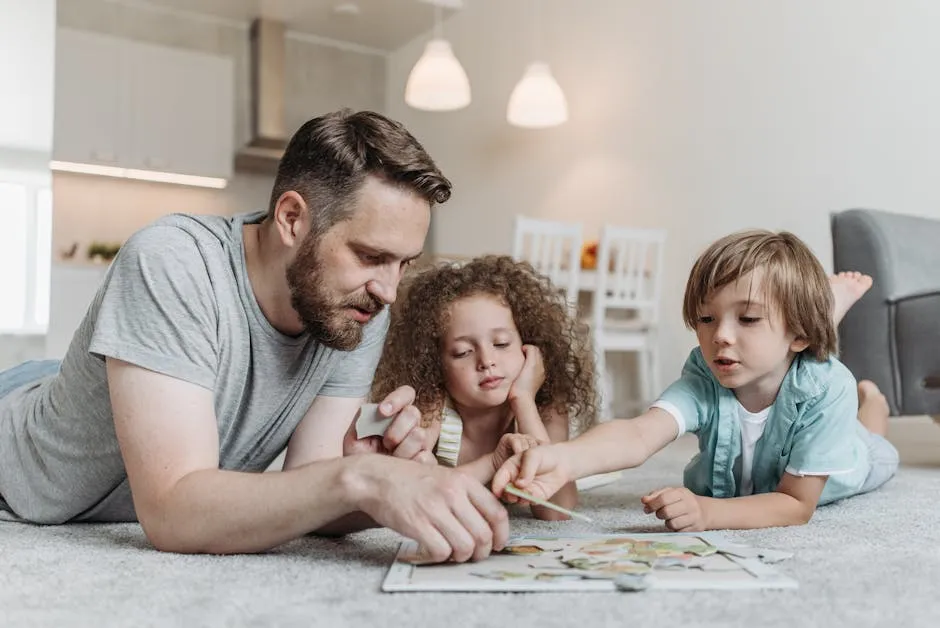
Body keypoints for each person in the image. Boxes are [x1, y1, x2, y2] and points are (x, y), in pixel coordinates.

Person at [0, 110, 508, 562]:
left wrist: (378, 482)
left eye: (404, 263)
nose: (390, 290)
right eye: (371, 256)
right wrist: (358, 481)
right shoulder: (173, 260)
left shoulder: (357, 308)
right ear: (291, 219)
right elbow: (173, 511)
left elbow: (310, 491)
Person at [493, 230, 899, 531]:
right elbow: (638, 435)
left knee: (872, 447)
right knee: (797, 370)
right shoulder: (706, 375)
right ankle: (823, 316)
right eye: (706, 318)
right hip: (797, 357)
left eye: (748, 318)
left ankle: (872, 407)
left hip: (846, 457)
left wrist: (708, 512)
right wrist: (562, 460)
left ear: (797, 333)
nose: (719, 335)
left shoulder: (829, 389)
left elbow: (795, 505)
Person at [371, 256, 597, 519]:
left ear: (529, 344)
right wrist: (491, 463)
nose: (487, 361)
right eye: (462, 352)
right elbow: (415, 492)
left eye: (501, 344)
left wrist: (523, 399)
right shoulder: (433, 405)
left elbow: (556, 510)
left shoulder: (546, 404)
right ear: (435, 364)